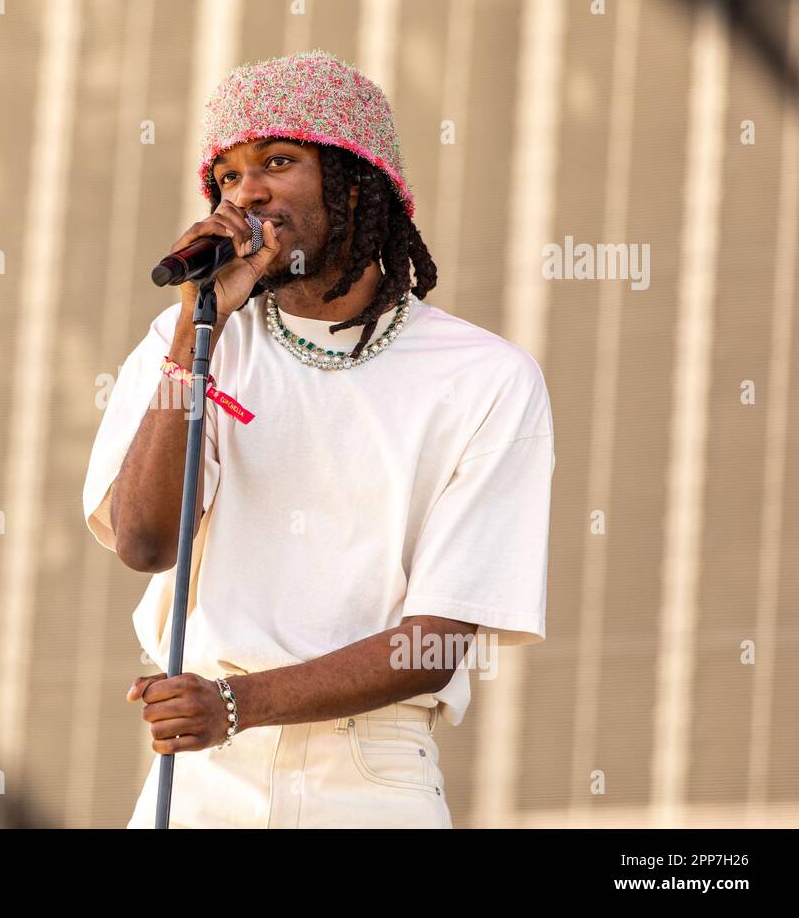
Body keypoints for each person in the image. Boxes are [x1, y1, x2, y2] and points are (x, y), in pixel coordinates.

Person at [82, 50, 555, 828]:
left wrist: (239, 704)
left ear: (358, 179)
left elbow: (434, 644)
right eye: (228, 176)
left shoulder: (484, 377)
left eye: (277, 160)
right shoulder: (195, 342)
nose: (248, 192)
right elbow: (142, 540)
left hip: (371, 774)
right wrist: (192, 338)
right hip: (205, 776)